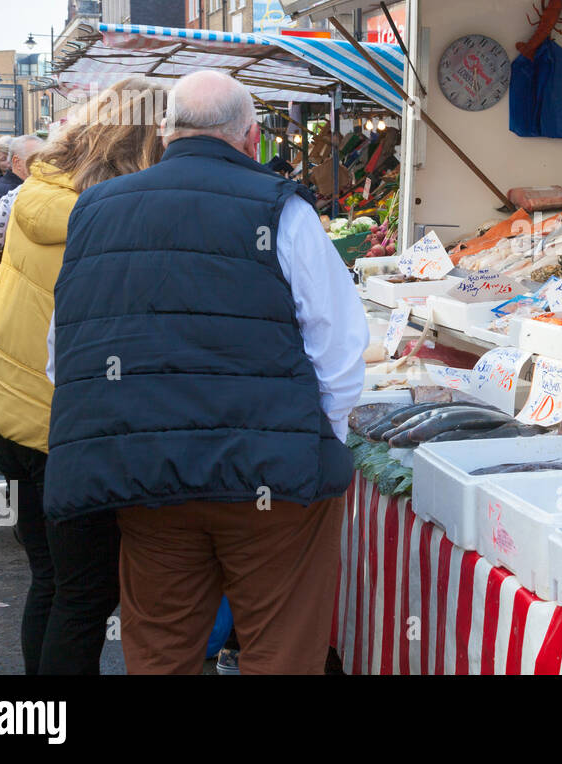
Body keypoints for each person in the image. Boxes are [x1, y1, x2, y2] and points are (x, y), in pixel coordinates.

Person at [44, 69, 370, 675]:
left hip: (147, 478)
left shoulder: (93, 211)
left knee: (162, 646)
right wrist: (318, 436)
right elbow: (339, 347)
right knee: (280, 647)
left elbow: (64, 355)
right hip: (269, 481)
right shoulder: (282, 208)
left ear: (167, 132)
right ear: (250, 137)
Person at [0, 78, 166, 675]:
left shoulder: (35, 189)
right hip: (67, 428)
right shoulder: (117, 215)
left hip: (7, 413)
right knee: (86, 593)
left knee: (50, 580)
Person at [0, 135, 44, 213]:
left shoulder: (24, 185)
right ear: (16, 161)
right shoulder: (5, 193)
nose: (41, 163)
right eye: (34, 158)